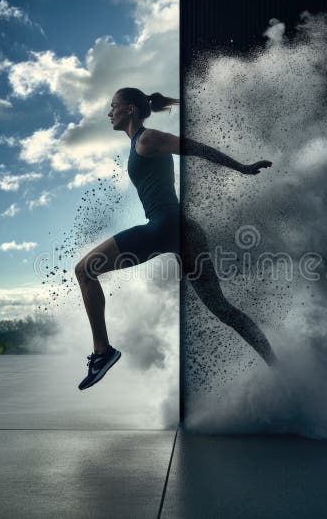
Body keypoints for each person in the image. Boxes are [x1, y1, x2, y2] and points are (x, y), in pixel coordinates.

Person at [75, 87, 277, 390]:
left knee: (84, 270)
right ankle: (278, 366)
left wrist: (243, 168)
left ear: (130, 109)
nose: (109, 112)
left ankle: (103, 352)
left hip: (166, 228)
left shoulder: (147, 138)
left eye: (113, 106)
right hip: (184, 232)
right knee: (222, 308)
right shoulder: (137, 142)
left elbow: (194, 147)